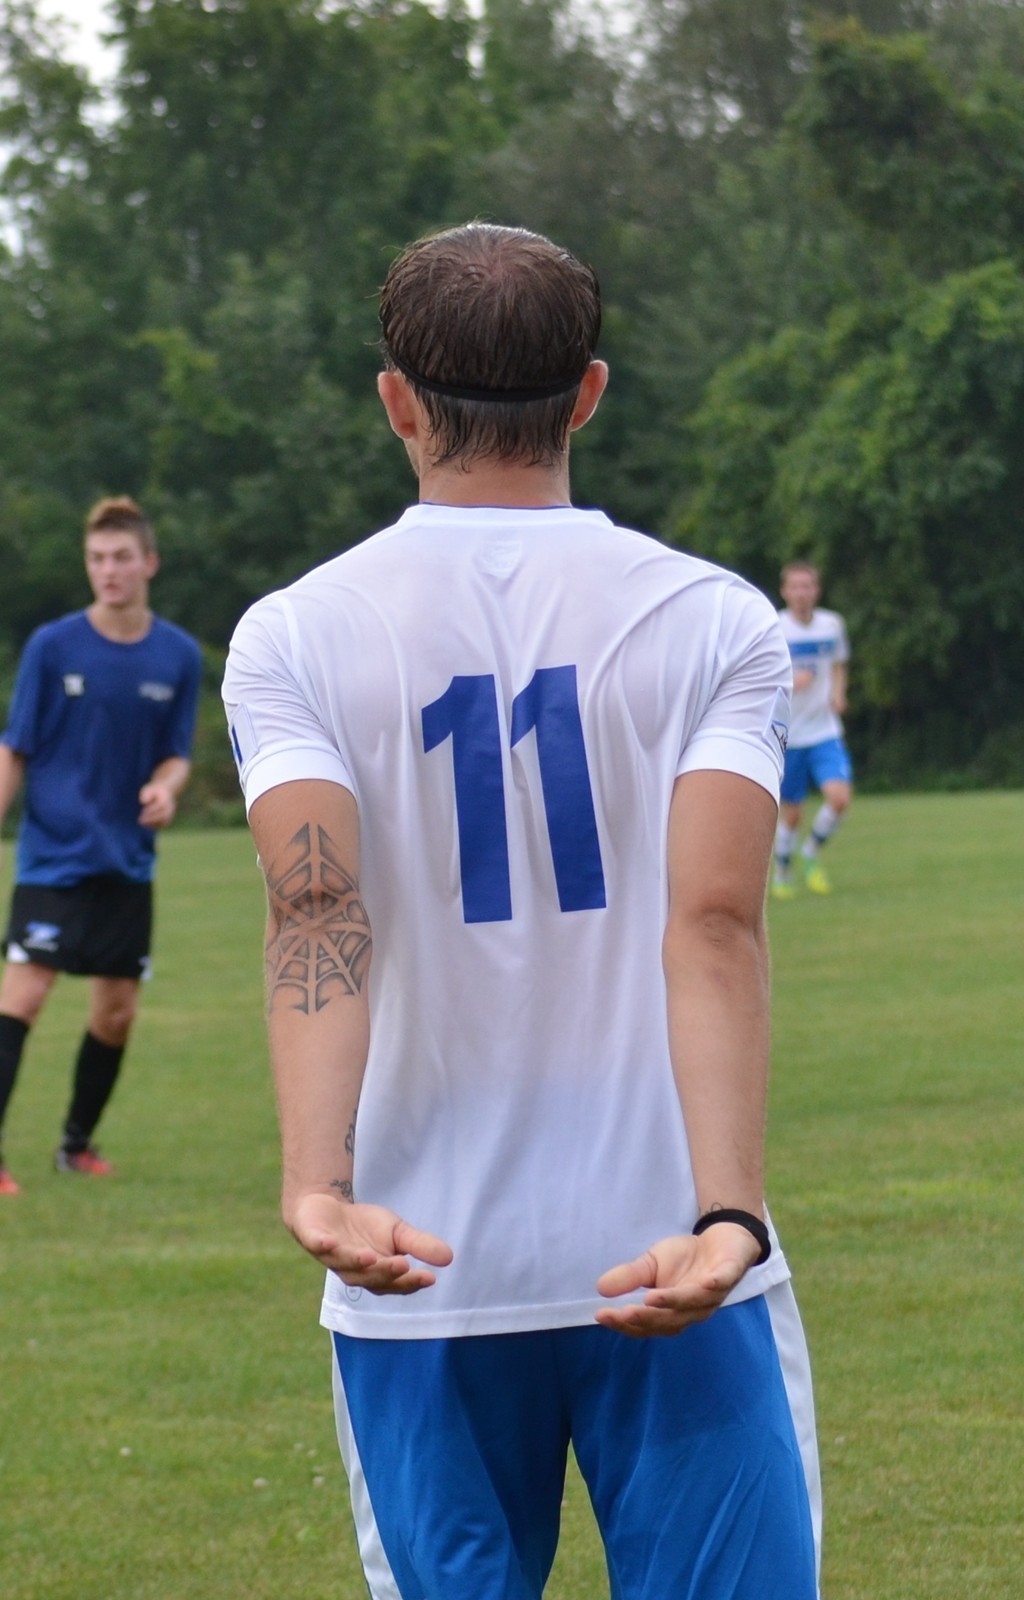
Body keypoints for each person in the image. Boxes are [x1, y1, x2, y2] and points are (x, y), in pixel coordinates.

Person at [223, 223, 821, 1600]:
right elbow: (717, 924)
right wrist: (729, 1212)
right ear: (592, 393)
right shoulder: (717, 620)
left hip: (418, 1271)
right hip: (673, 1255)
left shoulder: (294, 633)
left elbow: (315, 907)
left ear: (397, 403)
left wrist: (319, 1188)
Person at [0, 496, 202, 1195]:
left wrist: (168, 788)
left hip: (127, 862)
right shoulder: (52, 647)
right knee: (22, 997)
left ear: (148, 562)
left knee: (116, 1014)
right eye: (96, 559)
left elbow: (177, 754)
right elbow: (15, 748)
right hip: (53, 857)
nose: (108, 571)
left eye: (121, 557)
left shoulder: (176, 654)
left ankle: (75, 1147)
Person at [772, 559, 853, 899]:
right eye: (795, 586)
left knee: (839, 798)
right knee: (792, 814)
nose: (802, 593)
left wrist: (838, 693)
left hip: (824, 731)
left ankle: (810, 853)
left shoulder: (831, 625)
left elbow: (838, 664)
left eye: (807, 586)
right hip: (790, 736)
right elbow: (761, 679)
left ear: (816, 590)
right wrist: (792, 682)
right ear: (784, 591)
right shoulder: (774, 627)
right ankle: (782, 869)